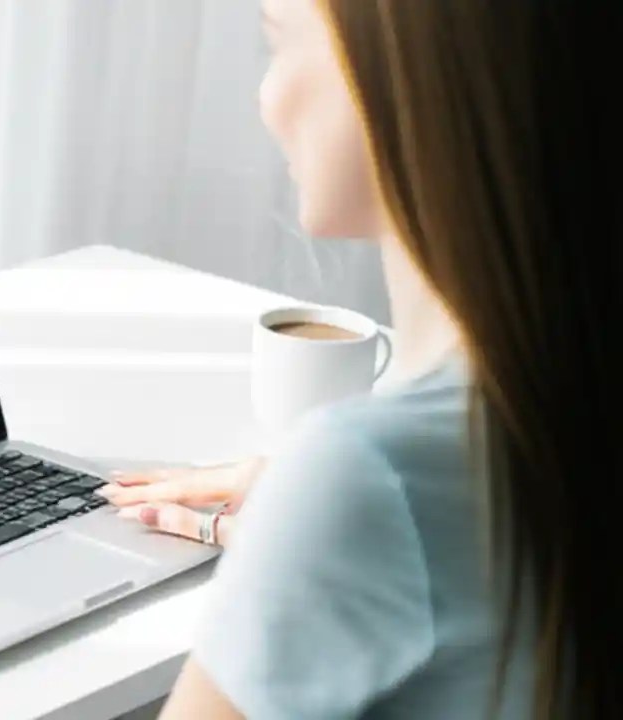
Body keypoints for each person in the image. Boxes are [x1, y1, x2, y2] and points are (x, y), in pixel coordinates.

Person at [98, 1, 621, 718]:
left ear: (415, 75)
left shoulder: (370, 474)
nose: (266, 94)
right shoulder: (537, 418)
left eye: (279, 40)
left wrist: (322, 519)